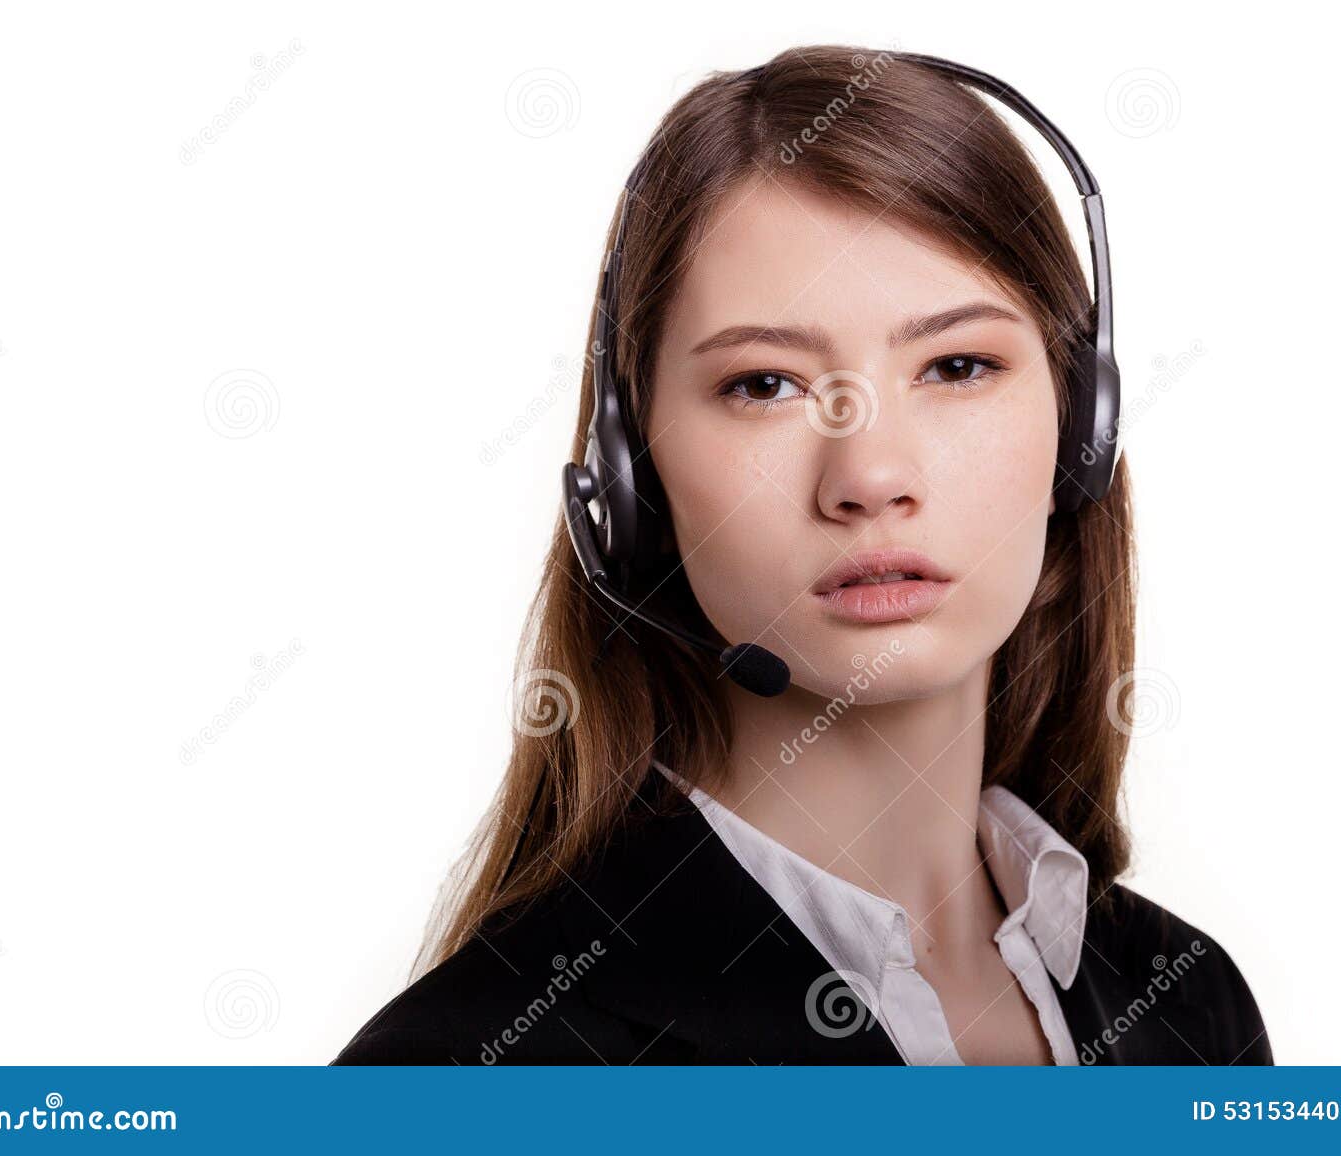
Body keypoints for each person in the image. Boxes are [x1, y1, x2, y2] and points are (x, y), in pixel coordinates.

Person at [333, 44, 1271, 1066]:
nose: (868, 475)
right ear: (634, 477)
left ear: (1081, 432)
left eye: (957, 365)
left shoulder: (1192, 1008)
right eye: (763, 385)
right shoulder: (466, 1065)